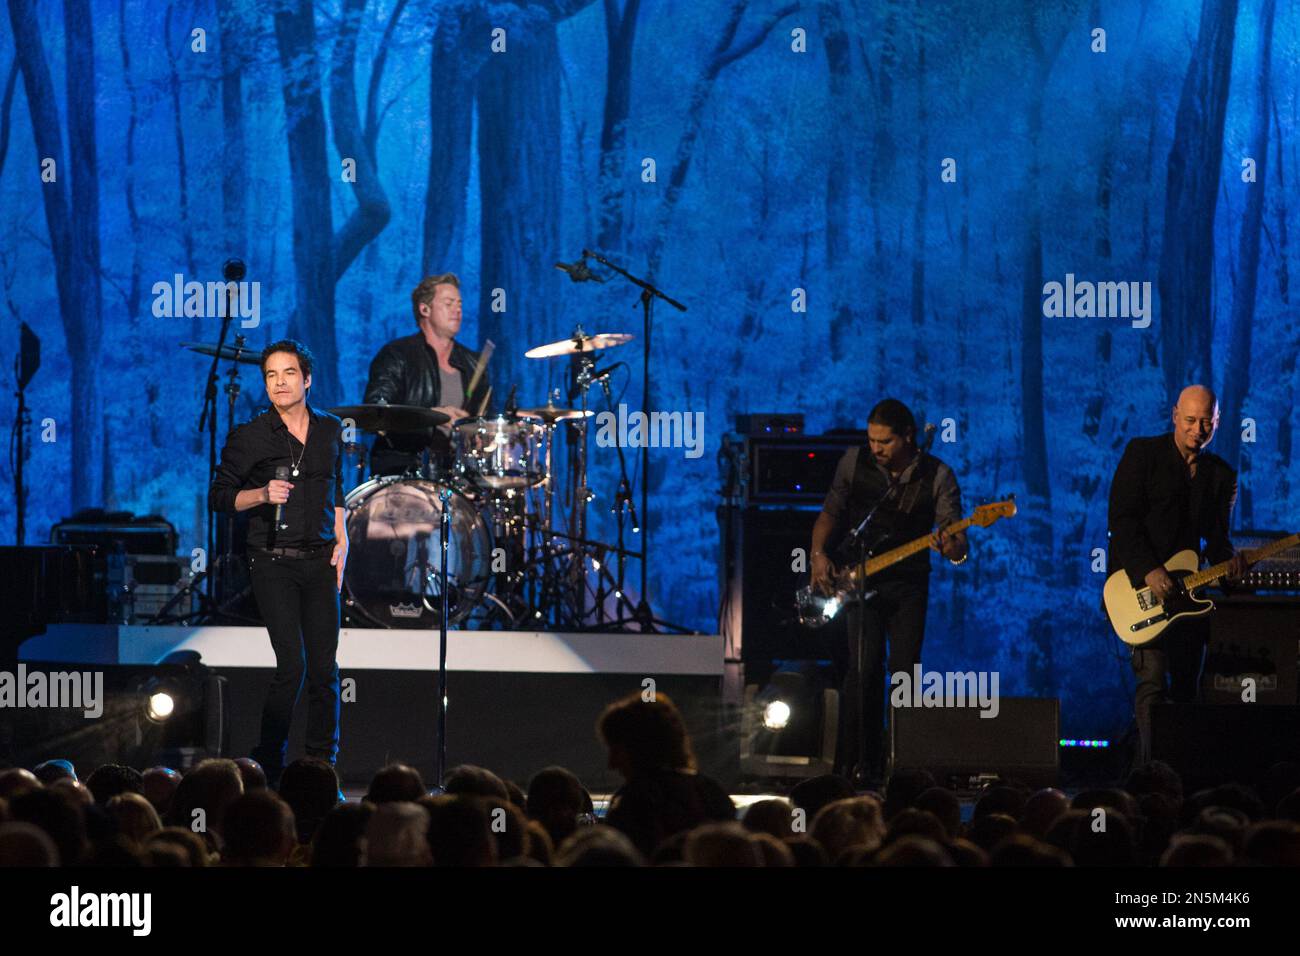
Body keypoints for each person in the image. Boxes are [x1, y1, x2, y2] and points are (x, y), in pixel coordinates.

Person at [209, 340, 348, 785]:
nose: (280, 382)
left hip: (320, 560)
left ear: (307, 379)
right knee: (293, 666)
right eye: (271, 375)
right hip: (272, 561)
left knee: (326, 670)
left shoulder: (329, 428)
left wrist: (342, 539)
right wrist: (261, 494)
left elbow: (336, 485)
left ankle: (321, 768)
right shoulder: (250, 436)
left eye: (289, 373)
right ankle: (268, 761)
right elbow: (219, 497)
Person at [809, 398, 967, 784]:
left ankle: (902, 767)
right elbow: (830, 512)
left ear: (908, 437)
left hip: (908, 587)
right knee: (861, 671)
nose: (875, 449)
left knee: (904, 672)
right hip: (860, 582)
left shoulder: (938, 476)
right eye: (872, 440)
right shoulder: (853, 462)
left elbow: (959, 548)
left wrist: (950, 547)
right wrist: (817, 555)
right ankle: (852, 767)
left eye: (884, 442)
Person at [1107, 384, 1247, 766]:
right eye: (1190, 420)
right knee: (1151, 684)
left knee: (1187, 690)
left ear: (1217, 422)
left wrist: (1231, 568)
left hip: (1189, 599)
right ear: (1174, 416)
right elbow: (1121, 521)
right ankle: (1147, 777)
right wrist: (1148, 570)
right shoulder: (1142, 454)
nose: (1197, 429)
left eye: (1206, 421)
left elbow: (1218, 542)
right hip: (1141, 590)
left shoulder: (1221, 476)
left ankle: (1180, 779)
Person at [363, 273, 492, 476]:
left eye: (459, 303)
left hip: (457, 474)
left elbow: (486, 419)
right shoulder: (397, 355)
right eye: (448, 303)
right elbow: (376, 415)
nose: (457, 310)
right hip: (403, 471)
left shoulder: (473, 363)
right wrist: (431, 416)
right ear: (425, 309)